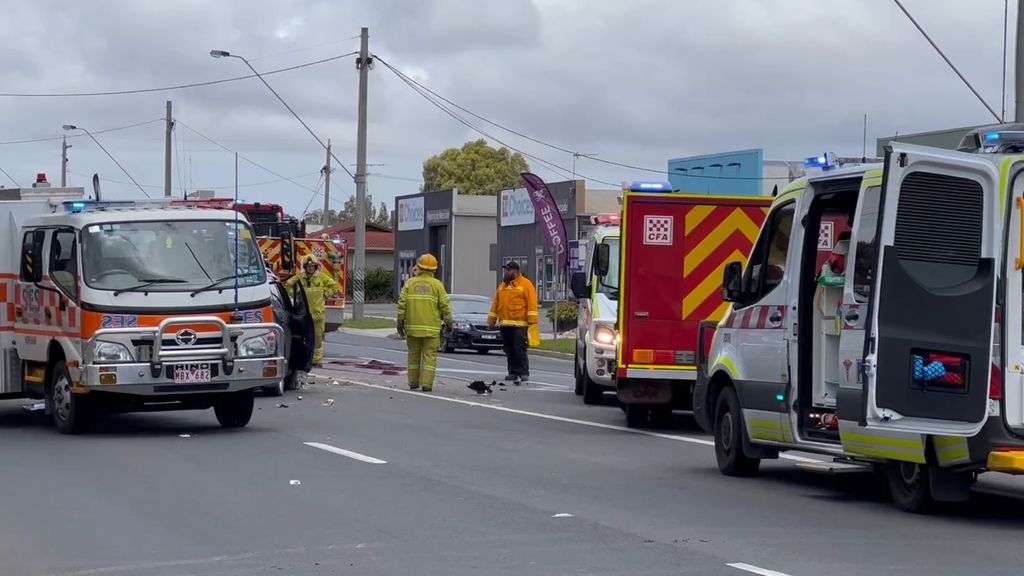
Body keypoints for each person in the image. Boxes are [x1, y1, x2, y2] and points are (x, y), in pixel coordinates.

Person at [397, 254, 452, 392]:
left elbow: (402, 304)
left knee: (413, 356)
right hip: (432, 329)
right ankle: (427, 385)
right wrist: (449, 323)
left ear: (419, 267)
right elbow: (445, 306)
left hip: (412, 328)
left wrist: (400, 322)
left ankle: (413, 383)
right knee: (429, 357)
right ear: (434, 269)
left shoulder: (410, 283)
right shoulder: (437, 285)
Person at [488, 261, 538, 384]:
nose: (506, 273)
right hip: (505, 324)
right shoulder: (502, 286)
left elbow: (532, 303)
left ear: (516, 271)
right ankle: (513, 372)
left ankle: (524, 373)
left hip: (519, 325)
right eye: (506, 270)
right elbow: (496, 304)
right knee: (509, 350)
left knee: (519, 349)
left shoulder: (526, 284)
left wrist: (532, 322)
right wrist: (491, 320)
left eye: (508, 270)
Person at [287, 254, 341, 366]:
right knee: (304, 337)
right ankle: (304, 358)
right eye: (308, 266)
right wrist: (296, 294)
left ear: (315, 267)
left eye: (312, 266)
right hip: (304, 314)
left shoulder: (321, 277)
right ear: (305, 267)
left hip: (317, 314)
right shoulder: (300, 277)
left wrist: (326, 294)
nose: (310, 268)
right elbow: (288, 284)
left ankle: (316, 360)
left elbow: (334, 286)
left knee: (317, 339)